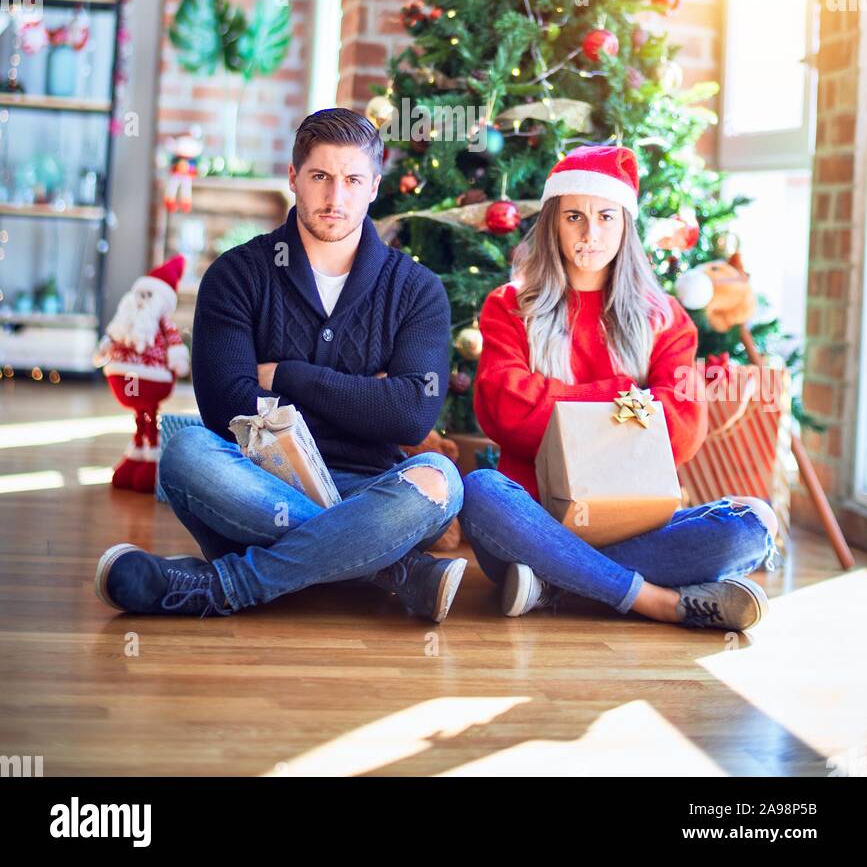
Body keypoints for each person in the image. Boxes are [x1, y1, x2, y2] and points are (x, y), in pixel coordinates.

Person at [95, 108, 466, 622]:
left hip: (371, 487)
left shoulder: (416, 289)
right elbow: (226, 406)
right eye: (320, 177)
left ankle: (227, 585)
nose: (336, 198)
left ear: (375, 186)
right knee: (185, 449)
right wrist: (364, 394)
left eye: (353, 180)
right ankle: (392, 568)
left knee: (440, 476)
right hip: (256, 481)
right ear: (294, 178)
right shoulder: (237, 275)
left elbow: (409, 418)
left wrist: (288, 376)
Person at [460, 144, 781, 633]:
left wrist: (560, 399)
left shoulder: (663, 316)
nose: (590, 234)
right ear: (553, 222)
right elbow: (507, 411)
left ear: (625, 224)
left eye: (606, 217)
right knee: (480, 490)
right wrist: (627, 396)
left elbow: (683, 430)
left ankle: (554, 582)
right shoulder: (510, 306)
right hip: (536, 513)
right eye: (574, 217)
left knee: (753, 526)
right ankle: (654, 599)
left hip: (635, 519)